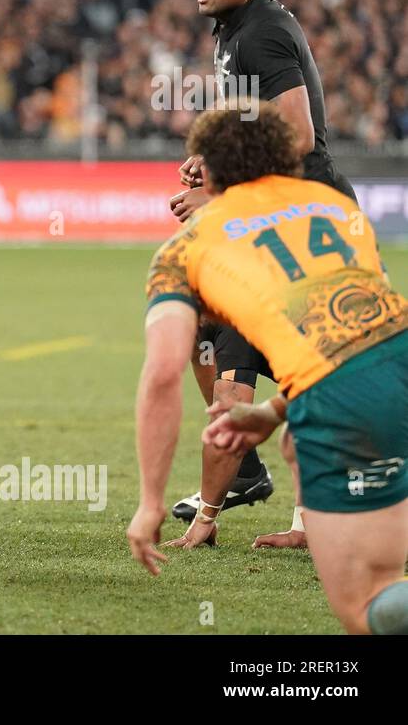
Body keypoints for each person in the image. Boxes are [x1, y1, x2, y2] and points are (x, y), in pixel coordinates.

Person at [128, 101, 408, 635]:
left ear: (207, 173)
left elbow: (164, 373)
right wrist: (277, 409)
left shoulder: (185, 250)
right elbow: (364, 330)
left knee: (368, 601)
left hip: (344, 401)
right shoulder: (330, 203)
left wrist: (150, 503)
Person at [166, 0, 357, 548]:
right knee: (205, 329)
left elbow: (298, 135)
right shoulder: (232, 32)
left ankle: (271, 511)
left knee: (290, 360)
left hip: (307, 222)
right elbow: (255, 120)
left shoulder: (264, 31)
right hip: (275, 216)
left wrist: (218, 188)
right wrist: (209, 157)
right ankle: (244, 473)